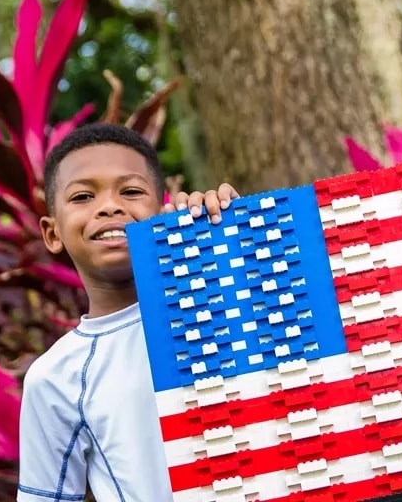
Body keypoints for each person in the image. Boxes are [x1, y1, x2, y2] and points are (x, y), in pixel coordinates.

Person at [16, 122, 238, 502]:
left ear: (163, 207)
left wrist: (232, 235)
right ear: (52, 233)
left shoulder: (227, 302)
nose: (110, 206)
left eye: (131, 191)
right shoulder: (55, 378)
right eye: (83, 196)